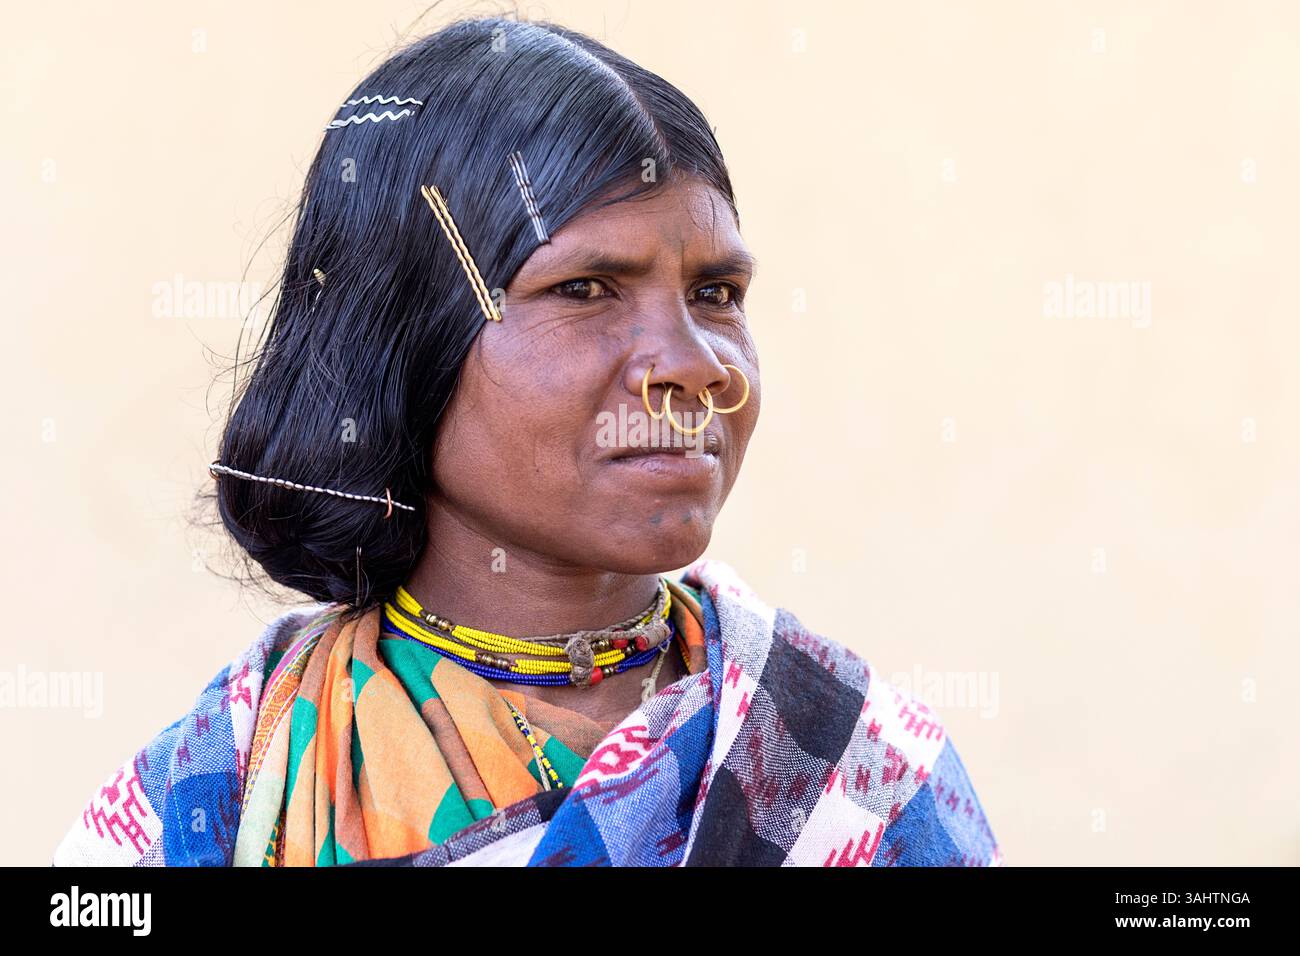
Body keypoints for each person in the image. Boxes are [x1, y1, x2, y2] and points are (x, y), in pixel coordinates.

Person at [52, 15, 1001, 867]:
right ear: (401, 333)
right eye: (585, 289)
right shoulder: (231, 791)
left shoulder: (854, 778)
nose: (698, 365)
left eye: (717, 293)